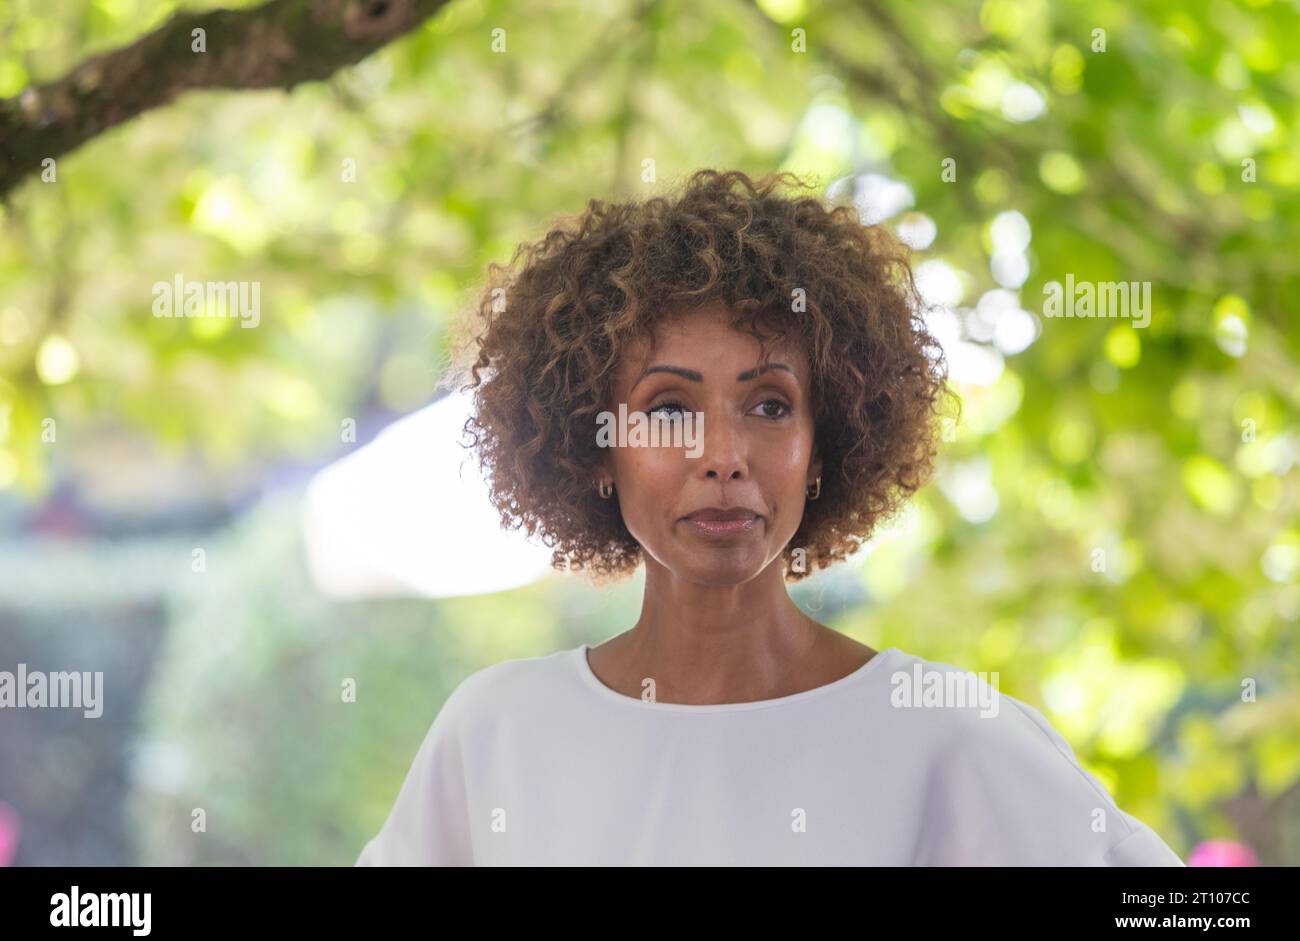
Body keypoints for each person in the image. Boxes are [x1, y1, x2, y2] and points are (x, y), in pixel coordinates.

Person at [355, 170, 1183, 866]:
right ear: (594, 446)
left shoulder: (942, 732)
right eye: (670, 408)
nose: (723, 455)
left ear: (826, 448)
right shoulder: (496, 734)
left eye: (770, 405)